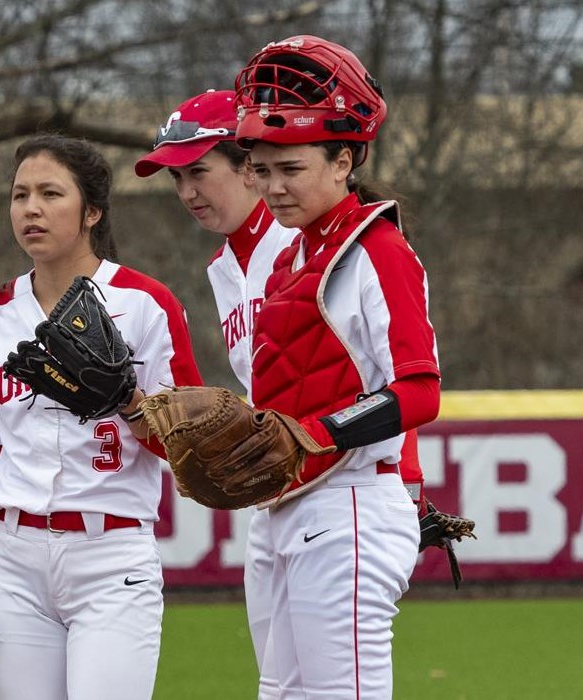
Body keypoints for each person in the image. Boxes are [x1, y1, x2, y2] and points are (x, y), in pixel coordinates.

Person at [134, 89, 431, 699]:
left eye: (199, 170)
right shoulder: (267, 262)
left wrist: (403, 481)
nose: (188, 190)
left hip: (348, 490)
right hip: (289, 496)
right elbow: (284, 390)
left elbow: (405, 384)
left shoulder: (353, 246)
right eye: (264, 169)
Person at [0, 134, 203, 700]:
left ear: (92, 211)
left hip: (111, 555)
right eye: (20, 194)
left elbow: (187, 446)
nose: (32, 208)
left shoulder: (146, 304)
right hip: (16, 560)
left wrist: (127, 401)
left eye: (51, 193)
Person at [231, 35, 438, 699]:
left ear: (344, 158)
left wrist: (318, 430)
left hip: (351, 505)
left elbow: (419, 392)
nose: (272, 186)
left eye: (289, 168)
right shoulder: (295, 258)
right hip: (297, 506)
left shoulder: (376, 248)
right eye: (262, 169)